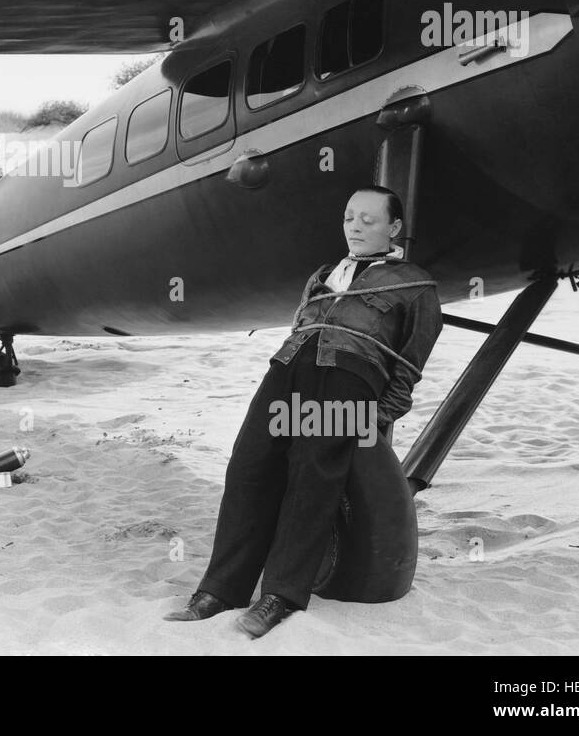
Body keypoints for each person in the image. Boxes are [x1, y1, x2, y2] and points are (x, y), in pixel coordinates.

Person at [166, 185, 442, 638]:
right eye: (350, 216)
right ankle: (221, 590)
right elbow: (300, 324)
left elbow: (412, 362)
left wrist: (378, 417)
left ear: (393, 227)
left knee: (313, 479)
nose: (355, 226)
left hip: (348, 380)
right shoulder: (325, 273)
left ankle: (280, 596)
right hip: (288, 369)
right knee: (250, 466)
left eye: (368, 220)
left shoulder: (416, 285)